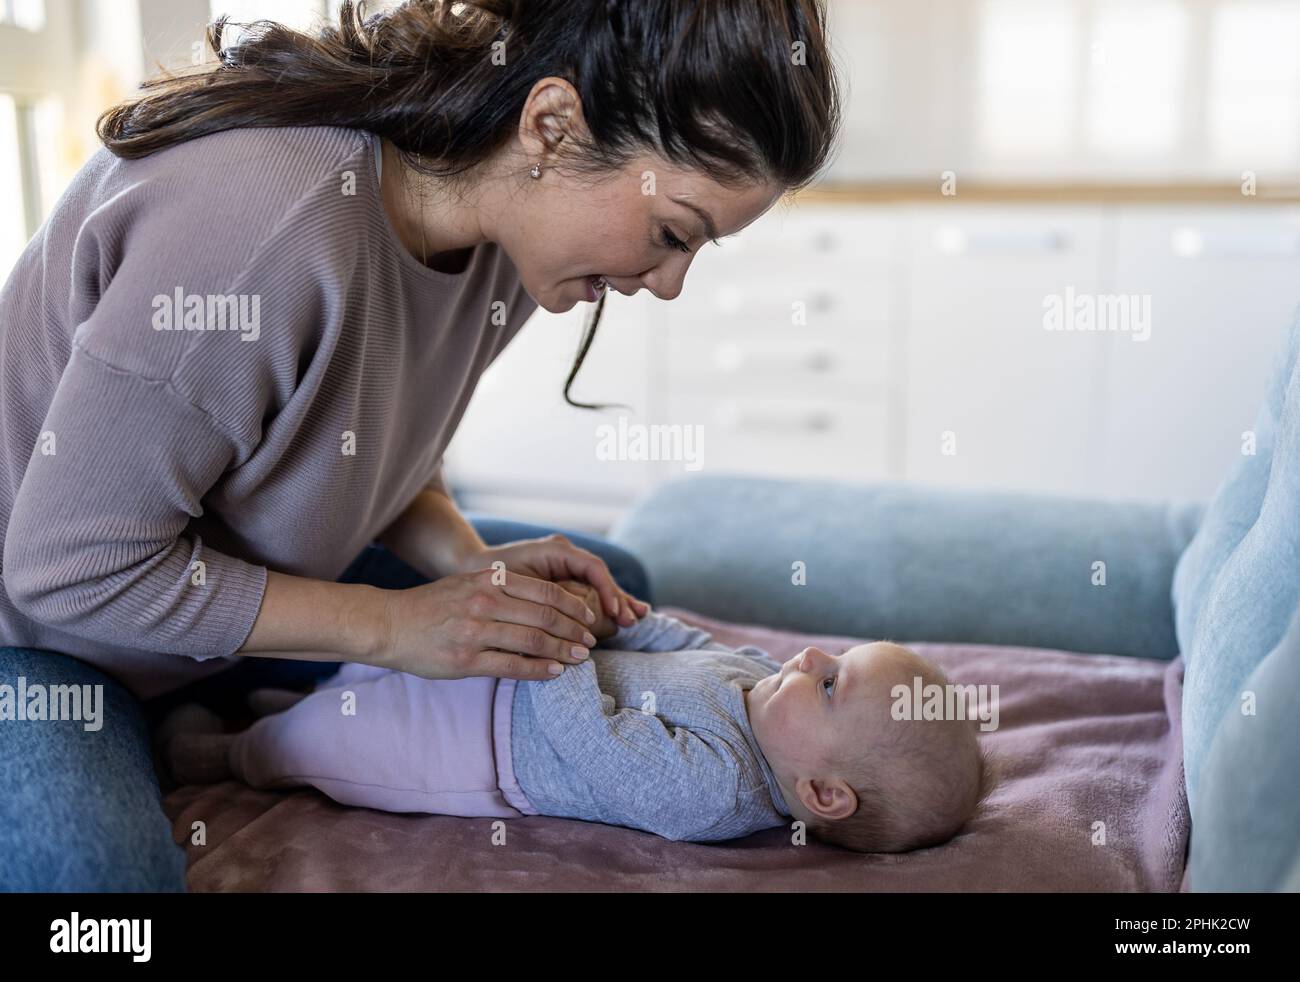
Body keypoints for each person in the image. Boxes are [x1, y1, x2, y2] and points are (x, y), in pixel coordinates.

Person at [0, 0, 842, 889]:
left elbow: (364, 442)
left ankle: (233, 707)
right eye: (673, 234)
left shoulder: (500, 239)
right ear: (551, 128)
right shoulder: (260, 238)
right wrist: (396, 627)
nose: (669, 284)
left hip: (214, 604)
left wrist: (467, 565)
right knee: (88, 885)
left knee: (596, 602)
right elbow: (68, 571)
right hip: (51, 637)